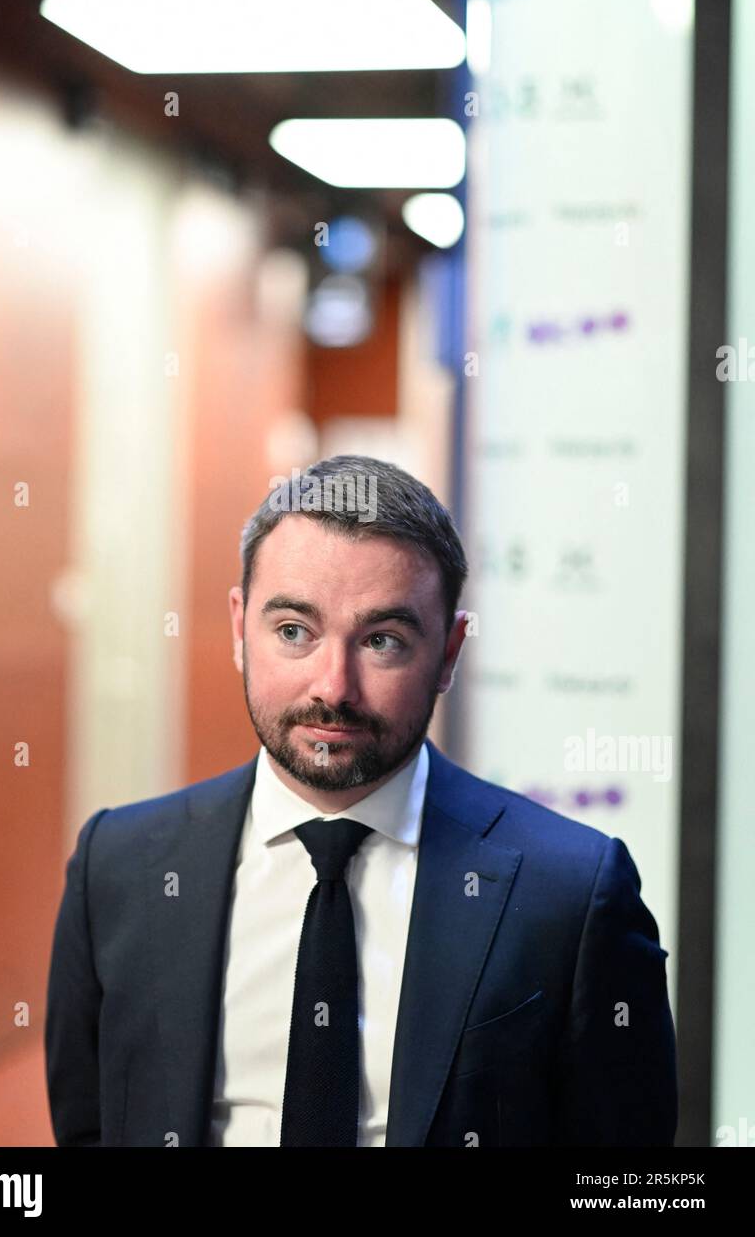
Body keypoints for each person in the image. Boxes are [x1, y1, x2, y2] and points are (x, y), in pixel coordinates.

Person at [44, 454, 678, 1147]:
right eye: (293, 632)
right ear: (239, 627)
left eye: (382, 642)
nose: (332, 687)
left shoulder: (571, 892)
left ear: (449, 652)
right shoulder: (119, 866)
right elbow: (89, 1127)